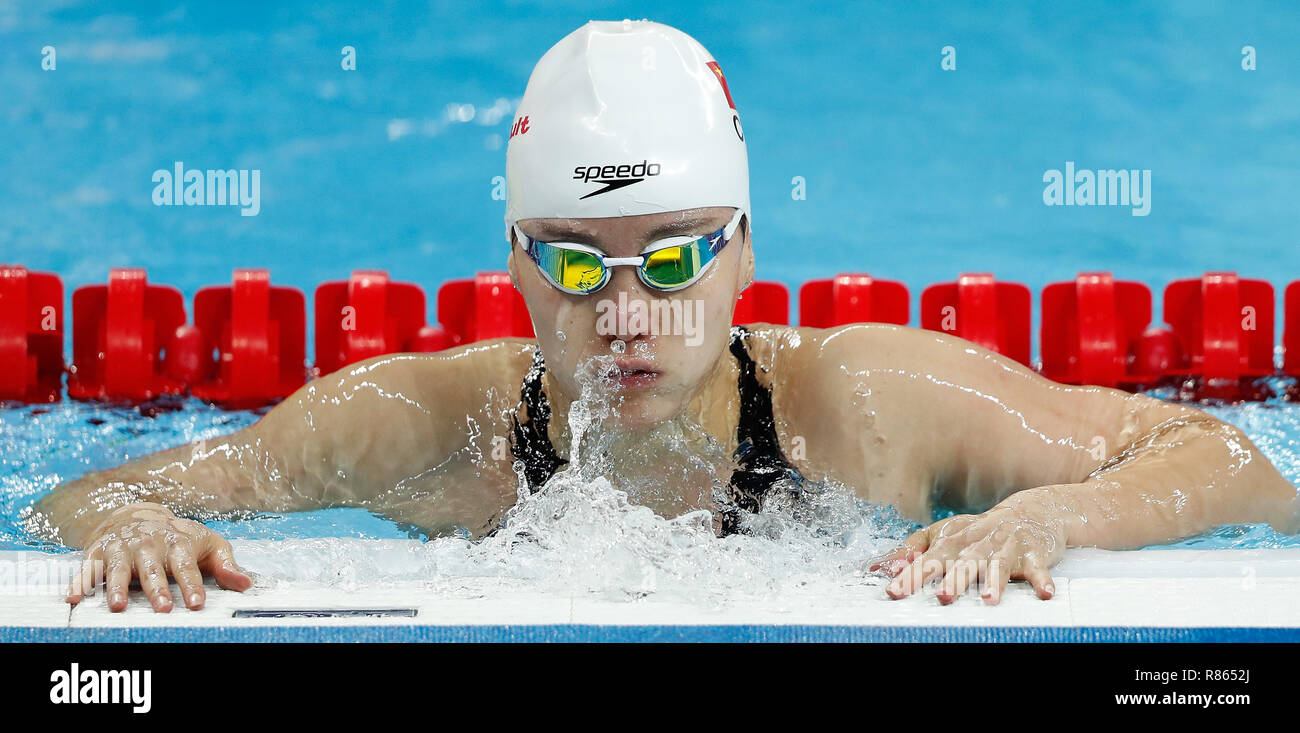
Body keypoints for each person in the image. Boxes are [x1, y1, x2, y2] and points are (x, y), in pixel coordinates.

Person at [28, 20, 1298, 614]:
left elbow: (1234, 462)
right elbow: (64, 501)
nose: (628, 316)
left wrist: (1048, 512)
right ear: (514, 267)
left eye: (674, 259)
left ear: (746, 256)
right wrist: (139, 522)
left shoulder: (864, 405)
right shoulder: (416, 427)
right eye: (577, 268)